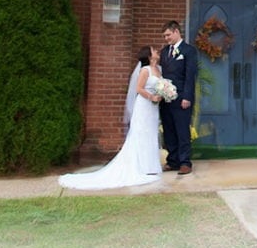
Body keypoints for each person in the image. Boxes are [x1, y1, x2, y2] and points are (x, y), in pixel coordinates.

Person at [58, 46, 164, 190]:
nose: (157, 51)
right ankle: (140, 166)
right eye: (154, 50)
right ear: (149, 55)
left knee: (151, 133)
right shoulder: (145, 70)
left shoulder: (158, 69)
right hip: (144, 106)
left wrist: (164, 94)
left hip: (153, 108)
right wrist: (152, 96)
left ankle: (150, 165)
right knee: (141, 134)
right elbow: (138, 89)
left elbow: (161, 86)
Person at [159, 20, 198, 175]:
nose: (166, 38)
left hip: (182, 98)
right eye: (164, 36)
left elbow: (190, 76)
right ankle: (172, 160)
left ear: (176, 31)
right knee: (168, 130)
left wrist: (187, 97)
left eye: (168, 35)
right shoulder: (164, 52)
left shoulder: (189, 51)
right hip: (166, 99)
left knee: (182, 130)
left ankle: (185, 162)